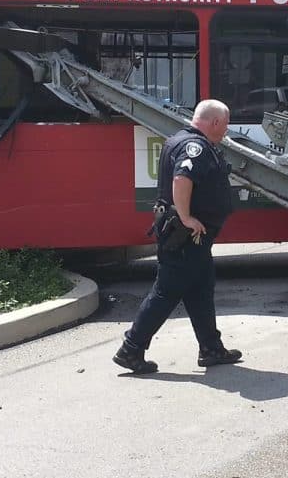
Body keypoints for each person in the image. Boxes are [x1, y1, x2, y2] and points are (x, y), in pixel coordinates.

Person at [113, 99, 243, 374]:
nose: (227, 129)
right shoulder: (194, 146)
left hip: (194, 239)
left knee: (201, 288)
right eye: (226, 124)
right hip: (185, 236)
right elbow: (182, 179)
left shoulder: (181, 139)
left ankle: (210, 348)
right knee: (166, 292)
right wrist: (186, 217)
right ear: (215, 122)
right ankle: (131, 349)